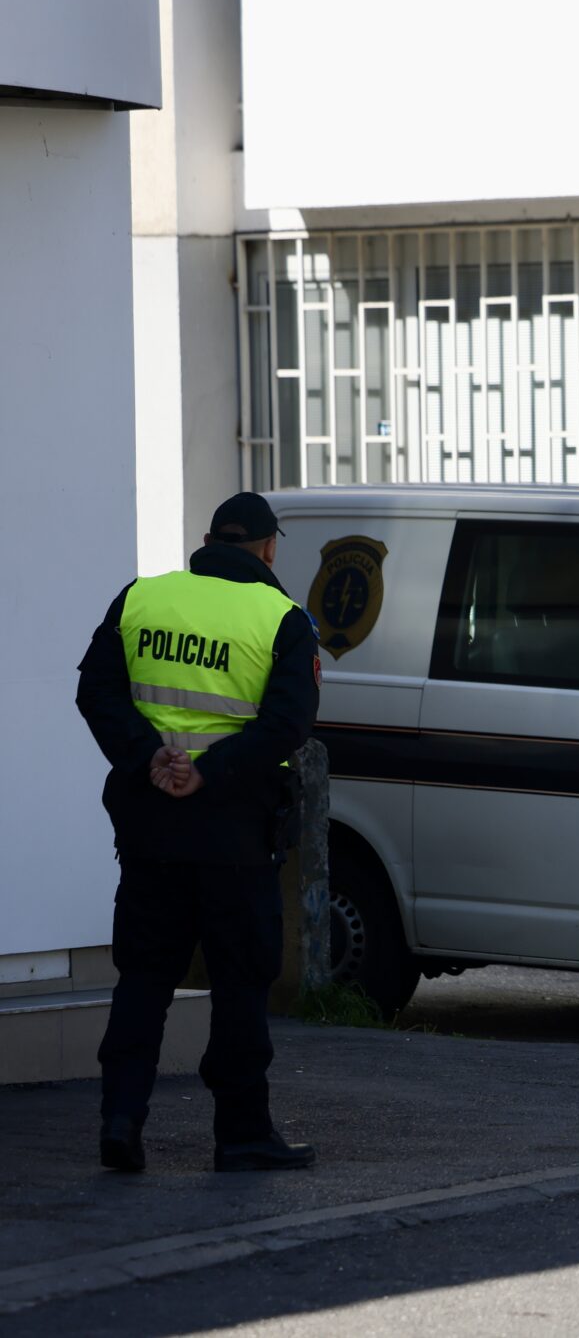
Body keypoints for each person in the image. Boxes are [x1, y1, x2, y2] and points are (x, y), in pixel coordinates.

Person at [75, 492, 319, 1173]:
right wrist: (208, 772)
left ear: (208, 541)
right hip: (235, 835)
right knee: (240, 983)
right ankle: (242, 1135)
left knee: (144, 976)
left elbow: (96, 692)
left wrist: (149, 757)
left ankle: (121, 1120)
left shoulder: (141, 599)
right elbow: (288, 724)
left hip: (150, 825)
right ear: (269, 548)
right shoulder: (282, 619)